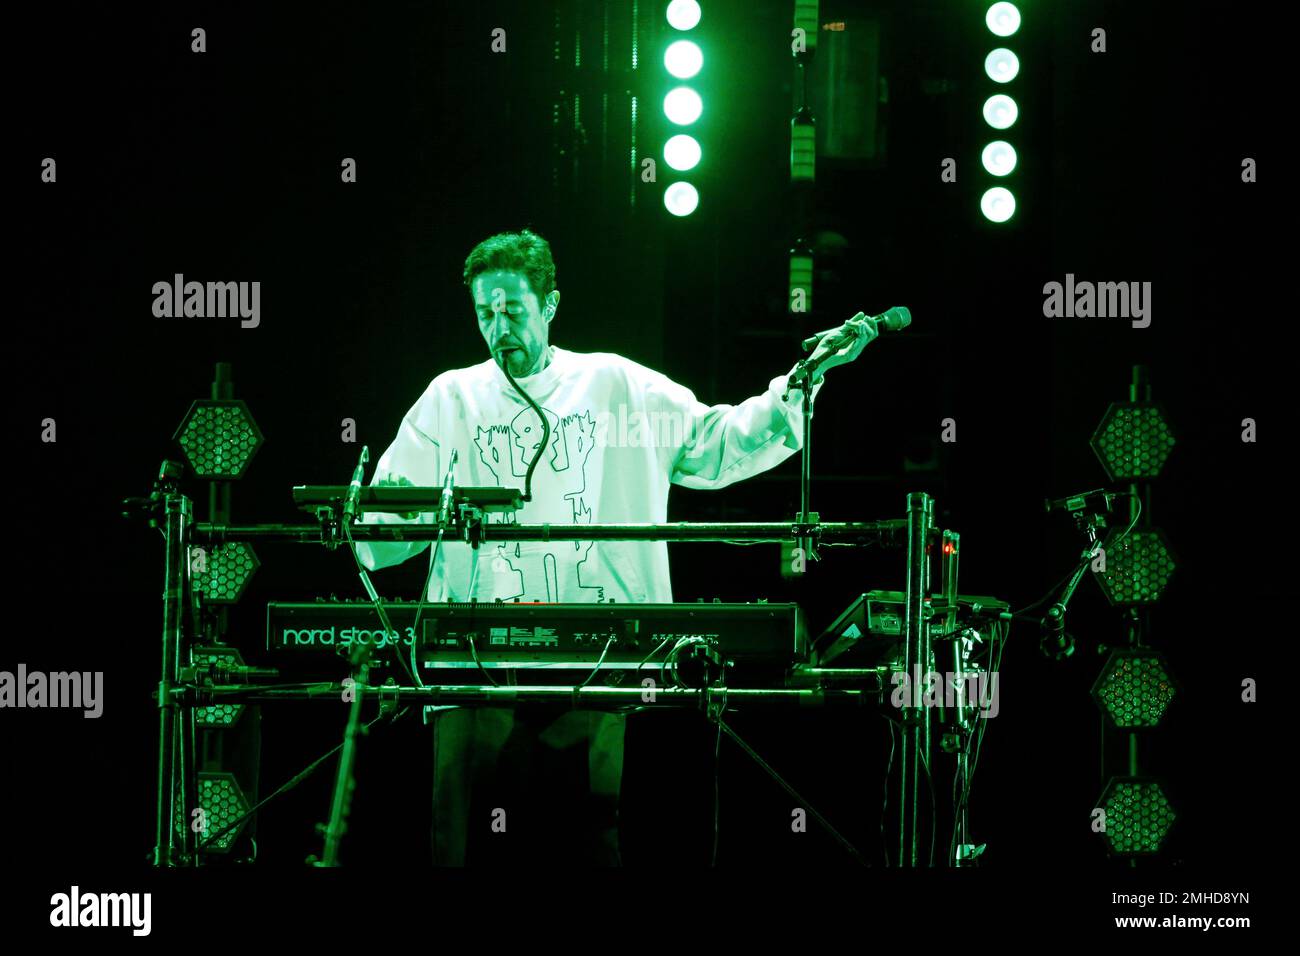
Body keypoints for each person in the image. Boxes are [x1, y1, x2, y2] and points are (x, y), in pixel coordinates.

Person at [356, 228, 876, 864]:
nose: (499, 328)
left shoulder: (615, 386)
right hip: (473, 663)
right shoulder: (451, 397)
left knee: (589, 841)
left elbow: (713, 443)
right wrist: (363, 518)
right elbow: (386, 519)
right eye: (485, 313)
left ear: (549, 305)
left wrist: (800, 381)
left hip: (599, 659)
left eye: (513, 310)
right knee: (461, 846)